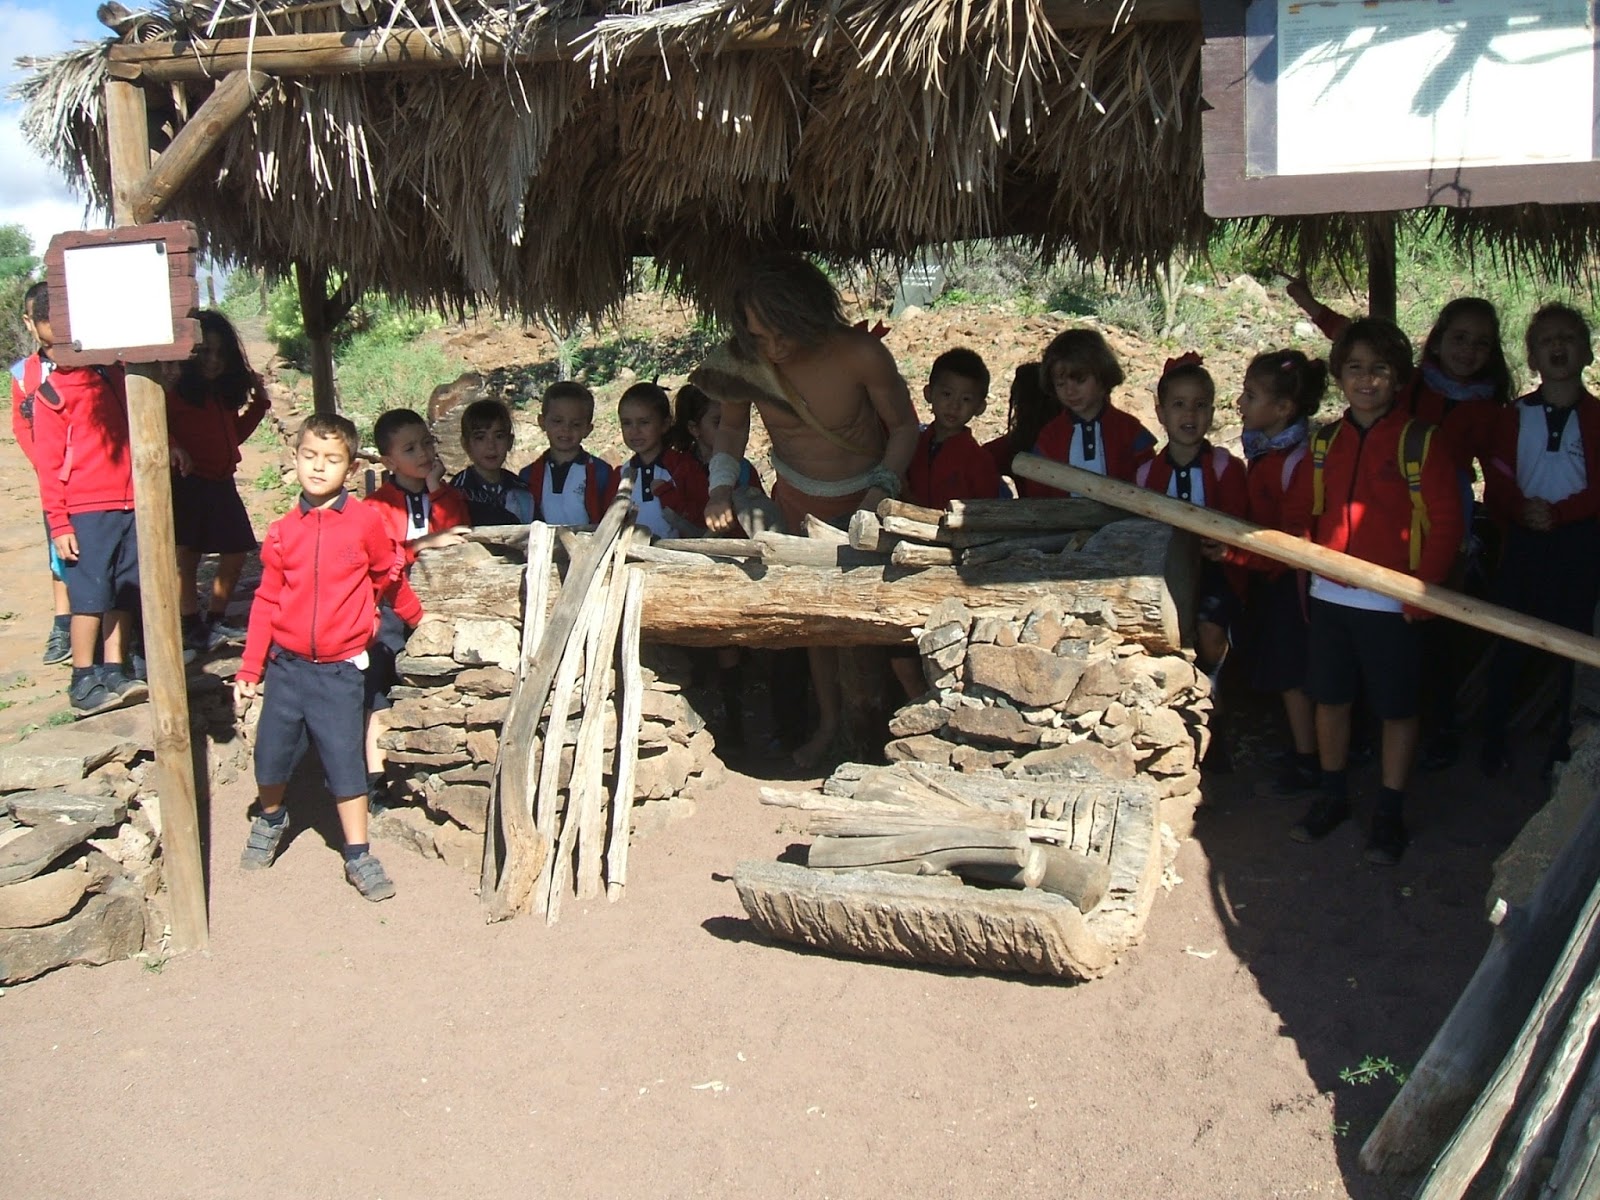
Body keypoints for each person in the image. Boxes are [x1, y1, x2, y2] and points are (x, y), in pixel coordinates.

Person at [691, 253, 919, 769]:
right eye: (760, 336)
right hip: (796, 504)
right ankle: (829, 726)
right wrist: (720, 488)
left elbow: (905, 427)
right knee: (817, 626)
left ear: (809, 314)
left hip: (869, 506)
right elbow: (732, 429)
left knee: (878, 624)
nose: (774, 348)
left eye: (783, 333)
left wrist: (880, 492)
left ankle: (896, 727)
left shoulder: (861, 354)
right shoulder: (743, 360)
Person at [1282, 318, 1464, 865]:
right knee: (1330, 700)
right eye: (1355, 368)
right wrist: (1301, 553)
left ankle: (1389, 811)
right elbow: (1300, 513)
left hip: (1392, 603)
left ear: (1399, 378)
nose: (1366, 380)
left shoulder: (1420, 442)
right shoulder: (1324, 443)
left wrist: (1421, 592)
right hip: (1331, 598)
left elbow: (1446, 522)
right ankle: (1333, 795)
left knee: (1396, 709)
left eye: (1379, 369)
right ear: (1339, 376)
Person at [233, 414, 423, 901]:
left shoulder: (365, 523)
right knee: (270, 755)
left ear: (351, 467)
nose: (319, 467)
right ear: (295, 458)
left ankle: (358, 853)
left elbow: (387, 574)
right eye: (310, 456)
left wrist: (414, 619)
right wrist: (251, 667)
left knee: (344, 761)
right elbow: (267, 599)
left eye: (332, 459)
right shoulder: (282, 531)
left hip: (340, 670)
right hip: (287, 667)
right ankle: (271, 818)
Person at [32, 292, 194, 714]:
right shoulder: (52, 394)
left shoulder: (120, 376)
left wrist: (170, 443)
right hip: (86, 509)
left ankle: (114, 667)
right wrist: (59, 523)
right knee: (90, 594)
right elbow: (48, 466)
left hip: (131, 502)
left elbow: (141, 419)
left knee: (124, 589)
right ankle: (83, 677)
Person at [1479, 303, 1600, 778]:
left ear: (1587, 353)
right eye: (1547, 340)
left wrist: (1562, 514)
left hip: (1581, 543)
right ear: (1531, 357)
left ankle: (1566, 742)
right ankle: (1493, 737)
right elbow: (1498, 477)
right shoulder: (1513, 416)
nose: (1558, 346)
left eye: (1568, 337)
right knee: (1511, 636)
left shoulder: (1598, 417)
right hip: (1524, 541)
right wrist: (1519, 509)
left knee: (1576, 645)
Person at [1221, 349, 1327, 797]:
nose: (1240, 403)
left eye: (1250, 395)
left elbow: (1290, 546)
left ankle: (1308, 759)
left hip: (1290, 583)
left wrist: (1235, 555)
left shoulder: (1296, 463)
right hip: (1270, 577)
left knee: (1291, 675)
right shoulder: (1265, 452)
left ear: (1283, 408)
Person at [364, 409, 470, 811]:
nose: (423, 453)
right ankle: (375, 779)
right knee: (380, 692)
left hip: (441, 607)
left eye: (427, 443)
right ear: (388, 461)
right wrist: (421, 546)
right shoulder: (376, 507)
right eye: (410, 449)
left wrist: (436, 490)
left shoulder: (445, 495)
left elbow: (460, 530)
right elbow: (380, 560)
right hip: (391, 613)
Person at [166, 310, 270, 656]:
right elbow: (157, 428)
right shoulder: (175, 394)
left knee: (237, 550)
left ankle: (215, 617)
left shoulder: (221, 394)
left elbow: (232, 437)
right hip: (188, 481)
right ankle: (189, 623)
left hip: (221, 481)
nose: (213, 360)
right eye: (204, 352)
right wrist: (173, 446)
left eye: (220, 353)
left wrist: (259, 405)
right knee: (187, 556)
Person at [1139, 354, 1248, 673]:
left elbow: (1240, 523)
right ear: (1160, 413)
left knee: (1212, 635)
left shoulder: (1226, 468)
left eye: (1200, 405)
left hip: (1216, 569)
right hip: (1163, 570)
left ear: (1212, 413)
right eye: (1179, 405)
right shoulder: (1145, 475)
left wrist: (1226, 549)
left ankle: (1211, 684)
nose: (1190, 414)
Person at [9, 281, 70, 665]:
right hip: (55, 481)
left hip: (92, 477)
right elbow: (22, 426)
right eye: (42, 318)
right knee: (58, 553)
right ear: (29, 322)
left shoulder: (92, 364)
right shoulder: (23, 374)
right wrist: (48, 465)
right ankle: (63, 622)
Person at [1027, 328, 1156, 497]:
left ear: (1103, 377)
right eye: (1060, 384)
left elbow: (1152, 483)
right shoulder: (1050, 437)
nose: (1070, 391)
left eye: (1080, 380)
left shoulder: (1129, 431)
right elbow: (1037, 492)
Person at [605, 382, 708, 538]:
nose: (634, 431)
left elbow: (702, 515)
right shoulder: (621, 475)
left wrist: (670, 496)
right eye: (627, 423)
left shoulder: (683, 467)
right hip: (630, 552)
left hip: (678, 551)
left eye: (644, 422)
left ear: (665, 424)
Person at [905, 348, 1003, 510]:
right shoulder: (912, 445)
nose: (954, 406)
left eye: (966, 399)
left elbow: (988, 512)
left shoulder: (979, 461)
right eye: (947, 394)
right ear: (928, 393)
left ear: (980, 407)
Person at [521, 381, 614, 525]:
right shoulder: (528, 476)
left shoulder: (601, 473)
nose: (566, 429)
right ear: (542, 422)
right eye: (557, 421)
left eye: (575, 424)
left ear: (588, 429)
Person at [448, 397, 534, 526]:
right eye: (480, 438)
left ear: (509, 441)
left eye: (499, 436)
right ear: (465, 444)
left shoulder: (521, 490)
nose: (491, 446)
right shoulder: (457, 491)